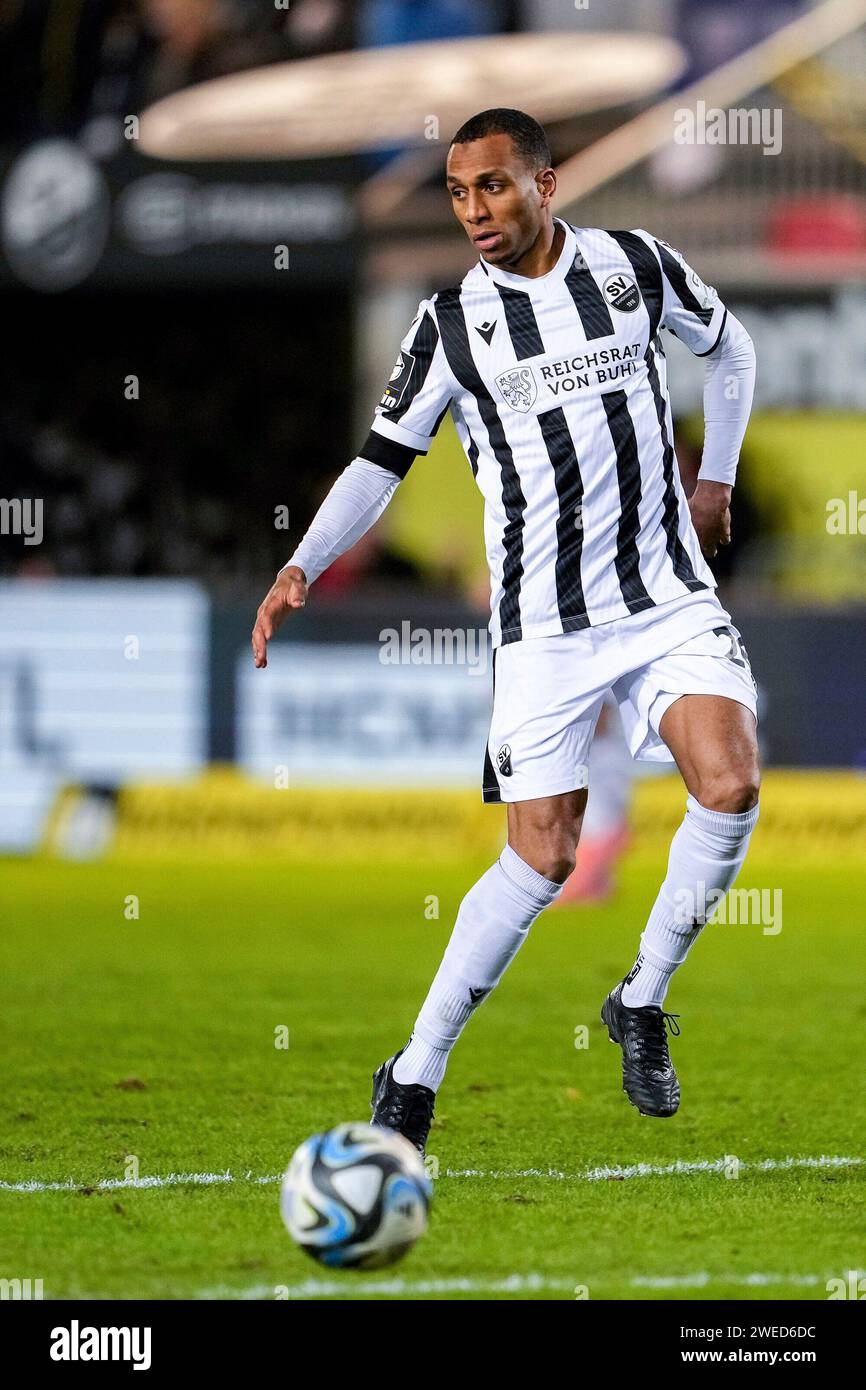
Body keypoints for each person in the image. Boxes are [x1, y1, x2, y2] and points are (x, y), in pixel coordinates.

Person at [251, 108, 760, 1153]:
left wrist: (714, 482)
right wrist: (303, 559)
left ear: (545, 183)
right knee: (542, 857)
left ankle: (641, 998)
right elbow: (380, 459)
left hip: (663, 596)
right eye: (456, 192)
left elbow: (731, 345)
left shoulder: (633, 267)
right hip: (542, 631)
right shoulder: (448, 325)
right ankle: (414, 1067)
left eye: (492, 185)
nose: (473, 209)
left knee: (729, 781)